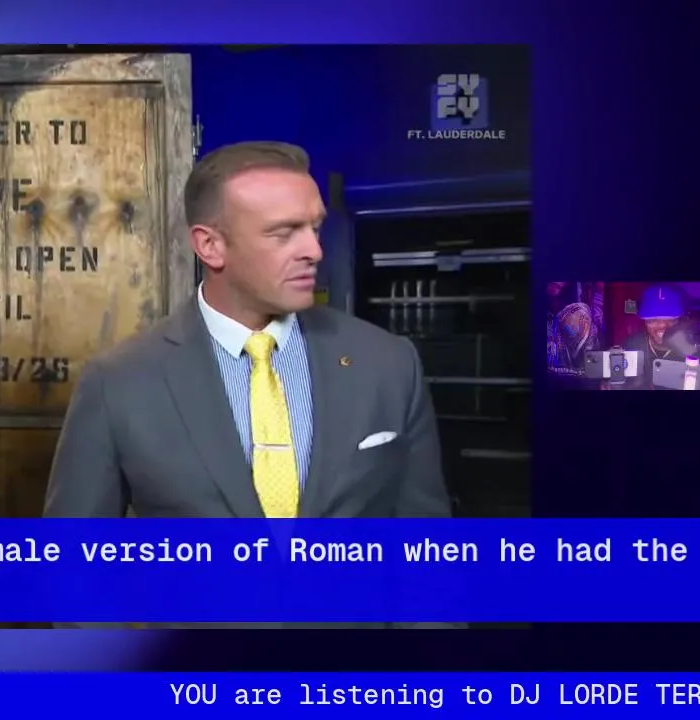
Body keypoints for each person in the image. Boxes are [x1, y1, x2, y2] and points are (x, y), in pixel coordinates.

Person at [44, 142, 454, 628]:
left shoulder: (387, 363)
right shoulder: (120, 383)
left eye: (315, 227)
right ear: (210, 246)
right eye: (284, 233)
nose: (314, 251)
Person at [618, 284, 700, 389]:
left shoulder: (694, 350)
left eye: (670, 320)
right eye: (653, 320)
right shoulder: (632, 344)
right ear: (644, 321)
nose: (662, 326)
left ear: (680, 320)